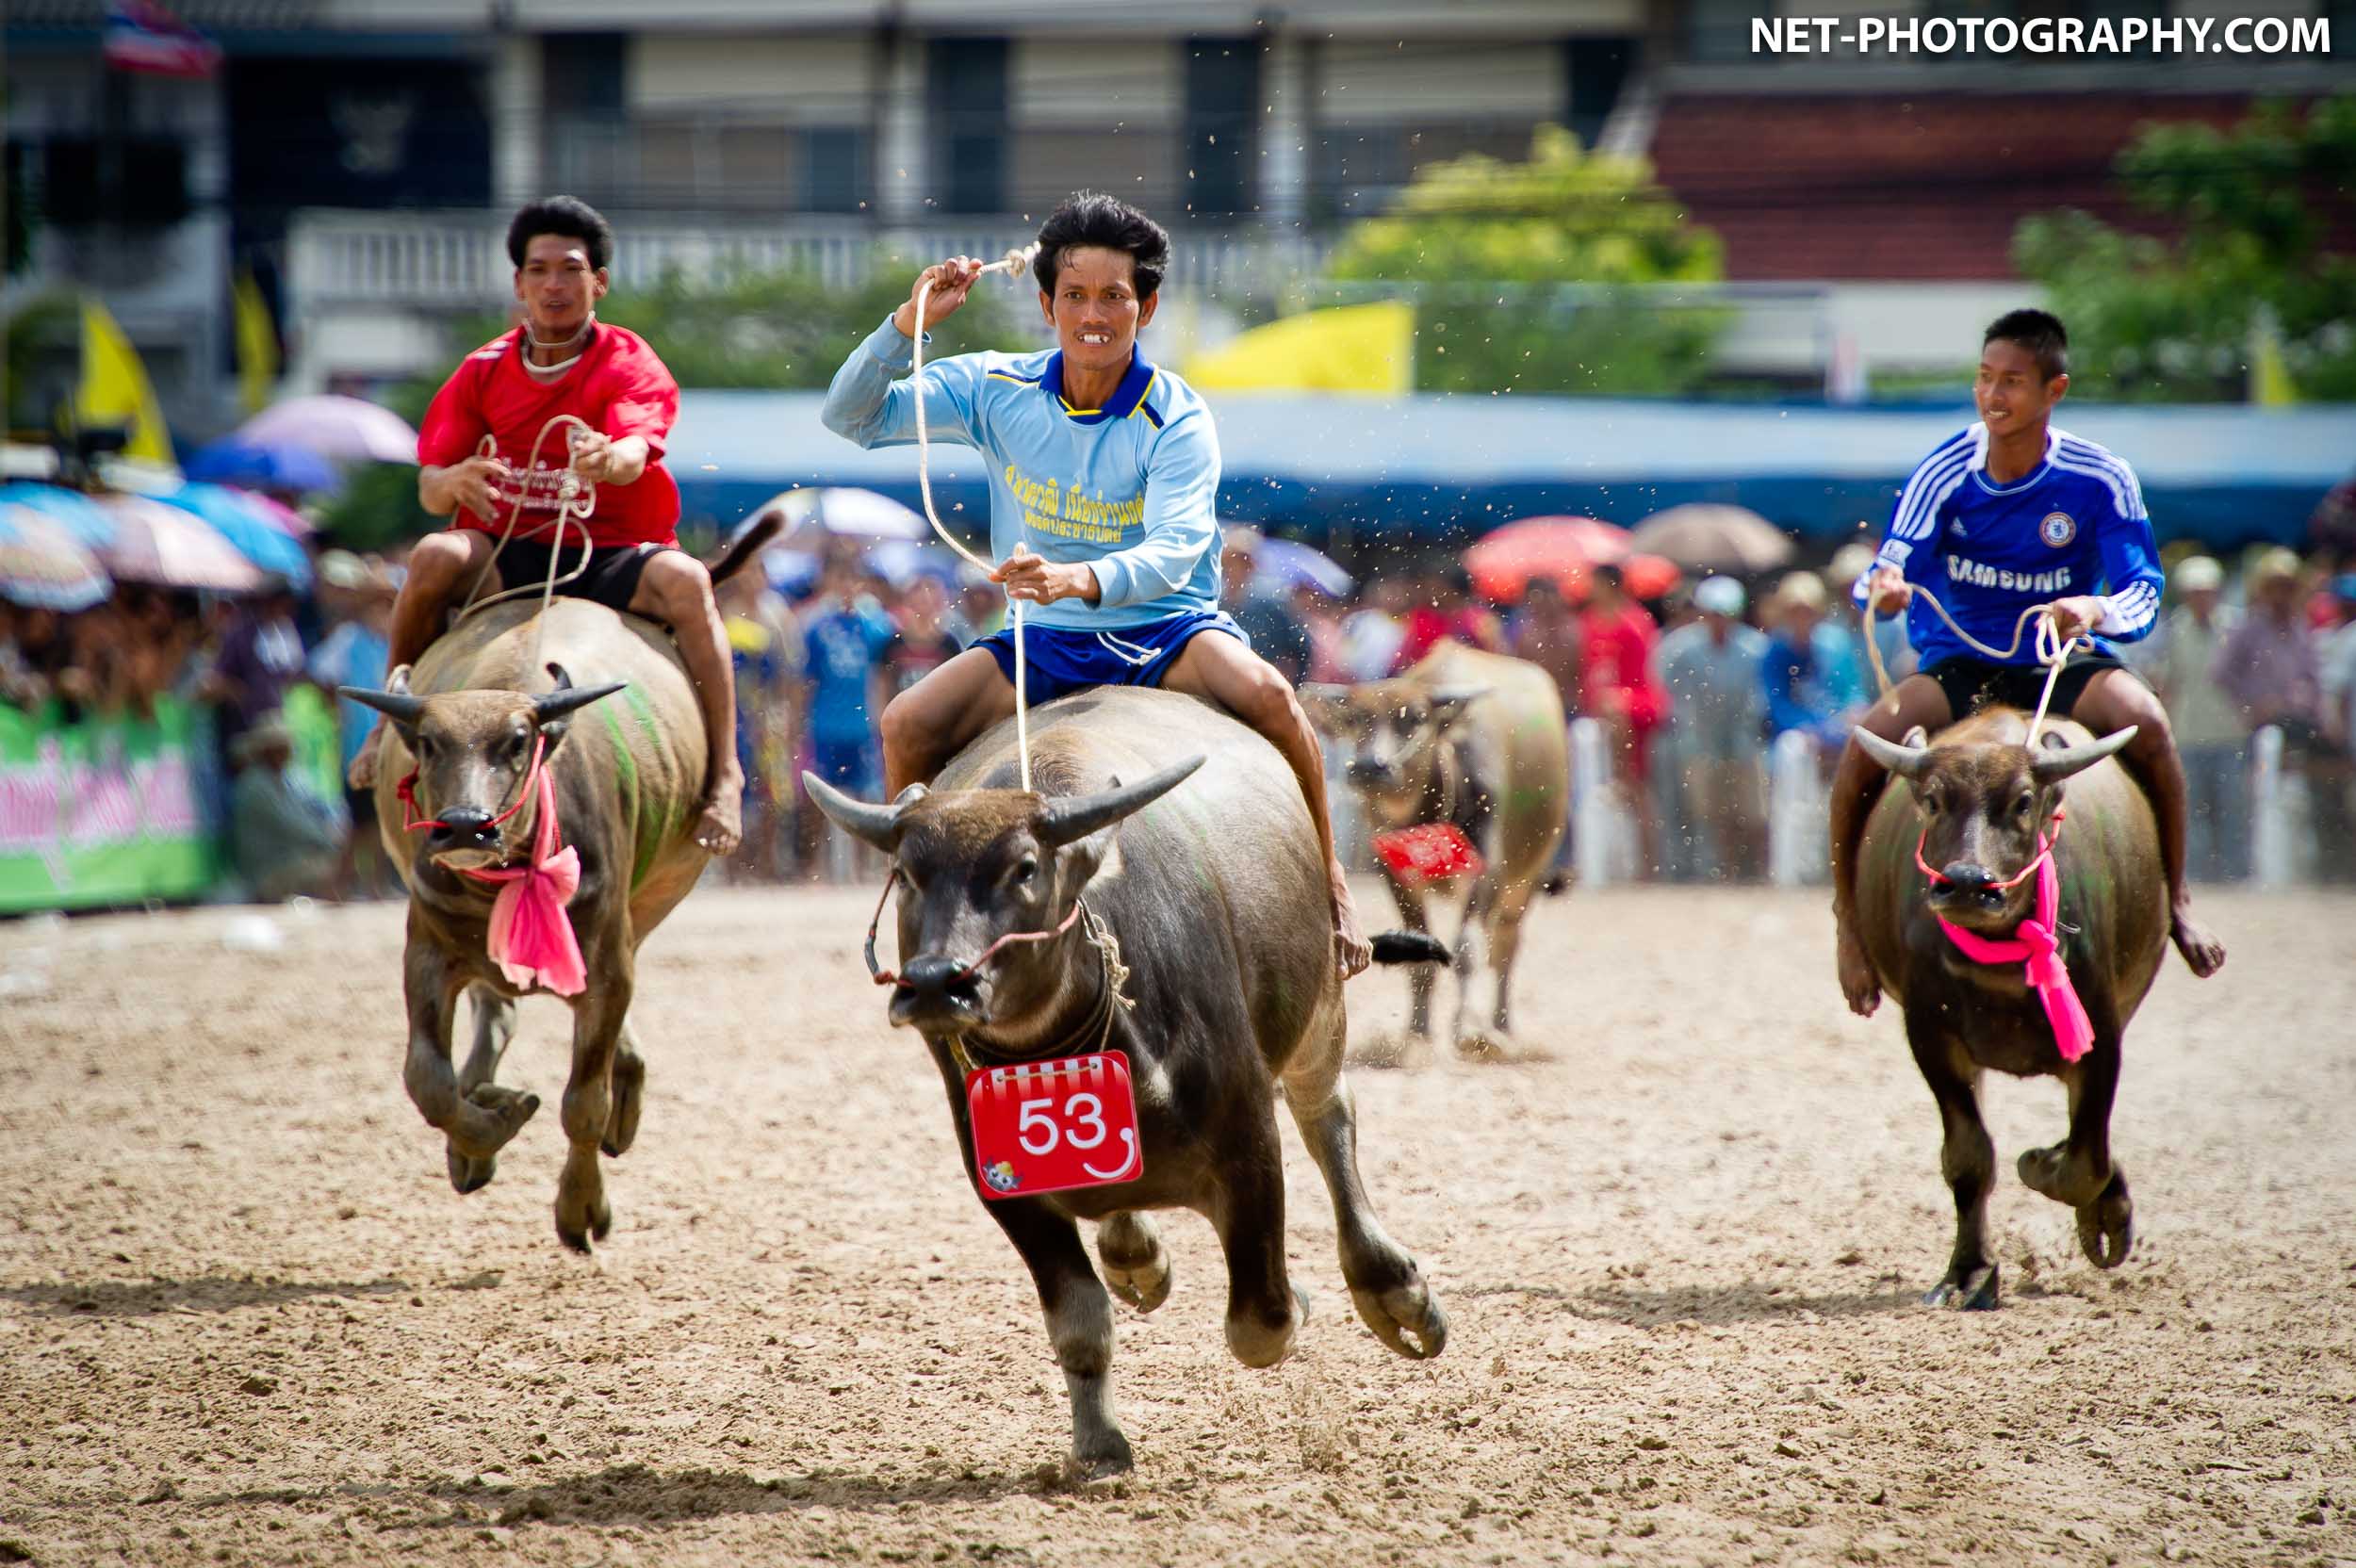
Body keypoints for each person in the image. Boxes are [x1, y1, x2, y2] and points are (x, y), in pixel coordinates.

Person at [820, 192, 1371, 976]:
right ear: (1045, 304)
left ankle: (1333, 883)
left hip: (1165, 632)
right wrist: (907, 325)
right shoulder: (993, 386)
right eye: (1074, 295)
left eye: (1114, 296)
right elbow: (853, 417)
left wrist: (1074, 577)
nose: (1093, 314)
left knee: (1273, 698)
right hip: (1044, 641)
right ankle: (922, 900)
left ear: (1144, 307)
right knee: (908, 722)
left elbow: (1180, 549)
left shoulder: (1175, 413)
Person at [1830, 309, 2224, 1017]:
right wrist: (1883, 589)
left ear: (2055, 390)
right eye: (1985, 378)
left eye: (2013, 381)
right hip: (1961, 662)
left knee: (2147, 721)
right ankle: (1848, 925)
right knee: (1868, 743)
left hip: (2058, 661)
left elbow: (2142, 589)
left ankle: (2179, 901)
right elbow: (1890, 564)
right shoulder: (1946, 468)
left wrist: (2092, 610)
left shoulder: (2100, 476)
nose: (1993, 395)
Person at [349, 195, 744, 853]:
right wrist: (456, 482)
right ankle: (390, 724)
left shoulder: (628, 362)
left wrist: (606, 457)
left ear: (599, 282)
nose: (554, 285)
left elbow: (635, 449)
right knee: (431, 556)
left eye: (570, 269)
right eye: (539, 271)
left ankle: (725, 774)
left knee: (686, 582)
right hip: (509, 548)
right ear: (519, 284)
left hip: (609, 549)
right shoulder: (482, 369)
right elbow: (430, 481)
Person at [1657, 576, 1768, 880]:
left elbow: (1761, 696)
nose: (1719, 621)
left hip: (1745, 739)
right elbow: (1665, 689)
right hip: (1699, 740)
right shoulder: (1679, 649)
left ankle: (1757, 872)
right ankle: (1725, 871)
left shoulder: (1755, 648)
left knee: (1752, 810)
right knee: (1711, 811)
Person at [2146, 555, 2248, 882]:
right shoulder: (2173, 630)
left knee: (2233, 809)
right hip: (2188, 733)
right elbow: (2167, 683)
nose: (2201, 598)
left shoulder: (2236, 627)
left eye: (2206, 591)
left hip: (2231, 731)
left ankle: (2237, 874)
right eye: (2194, 592)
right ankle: (2199, 876)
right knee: (2194, 811)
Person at [307, 559, 397, 897]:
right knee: (358, 822)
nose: (383, 615)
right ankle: (343, 885)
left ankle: (372, 884)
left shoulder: (395, 644)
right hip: (357, 743)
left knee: (379, 820)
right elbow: (318, 672)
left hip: (391, 746)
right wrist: (336, 704)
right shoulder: (350, 639)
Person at [1579, 564, 1666, 876]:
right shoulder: (1588, 622)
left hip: (1634, 705)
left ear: (1611, 585)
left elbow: (1644, 677)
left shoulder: (1635, 623)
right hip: (1599, 710)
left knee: (1639, 788)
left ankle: (1647, 865)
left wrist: (1617, 698)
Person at [230, 716, 345, 904]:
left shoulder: (280, 780)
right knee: (329, 867)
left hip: (283, 858)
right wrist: (328, 840)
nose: (288, 753)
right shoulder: (256, 785)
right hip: (266, 869)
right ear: (268, 751)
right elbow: (291, 825)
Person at [1218, 526, 1312, 686]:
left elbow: (1300, 649)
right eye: (1229, 561)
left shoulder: (1271, 602)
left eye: (1239, 561)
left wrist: (1286, 681)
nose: (1231, 568)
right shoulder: (1218, 601)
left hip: (1263, 684)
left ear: (1251, 565)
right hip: (1227, 682)